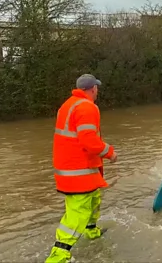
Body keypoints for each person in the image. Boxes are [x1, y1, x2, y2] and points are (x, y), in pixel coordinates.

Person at [46, 74, 118, 263]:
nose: (97, 91)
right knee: (78, 212)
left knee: (94, 199)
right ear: (93, 89)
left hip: (77, 168)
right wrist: (109, 152)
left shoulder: (69, 105)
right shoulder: (87, 107)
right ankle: (58, 255)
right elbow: (89, 141)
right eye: (97, 88)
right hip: (78, 170)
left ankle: (92, 231)